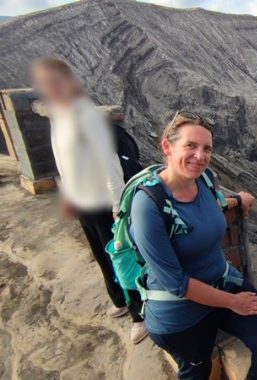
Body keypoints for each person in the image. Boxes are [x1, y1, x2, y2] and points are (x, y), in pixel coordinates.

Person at [130, 111, 257, 379]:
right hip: (179, 313)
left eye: (207, 149)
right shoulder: (148, 206)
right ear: (167, 147)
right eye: (190, 146)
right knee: (198, 368)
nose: (200, 156)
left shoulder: (204, 179)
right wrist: (233, 302)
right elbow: (176, 283)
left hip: (221, 282)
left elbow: (209, 207)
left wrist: (238, 200)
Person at [31, 57, 147, 344]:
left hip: (105, 203)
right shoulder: (60, 116)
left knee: (121, 256)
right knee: (100, 253)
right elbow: (64, 160)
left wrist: (119, 208)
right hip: (83, 201)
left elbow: (110, 167)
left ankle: (139, 314)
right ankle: (119, 300)